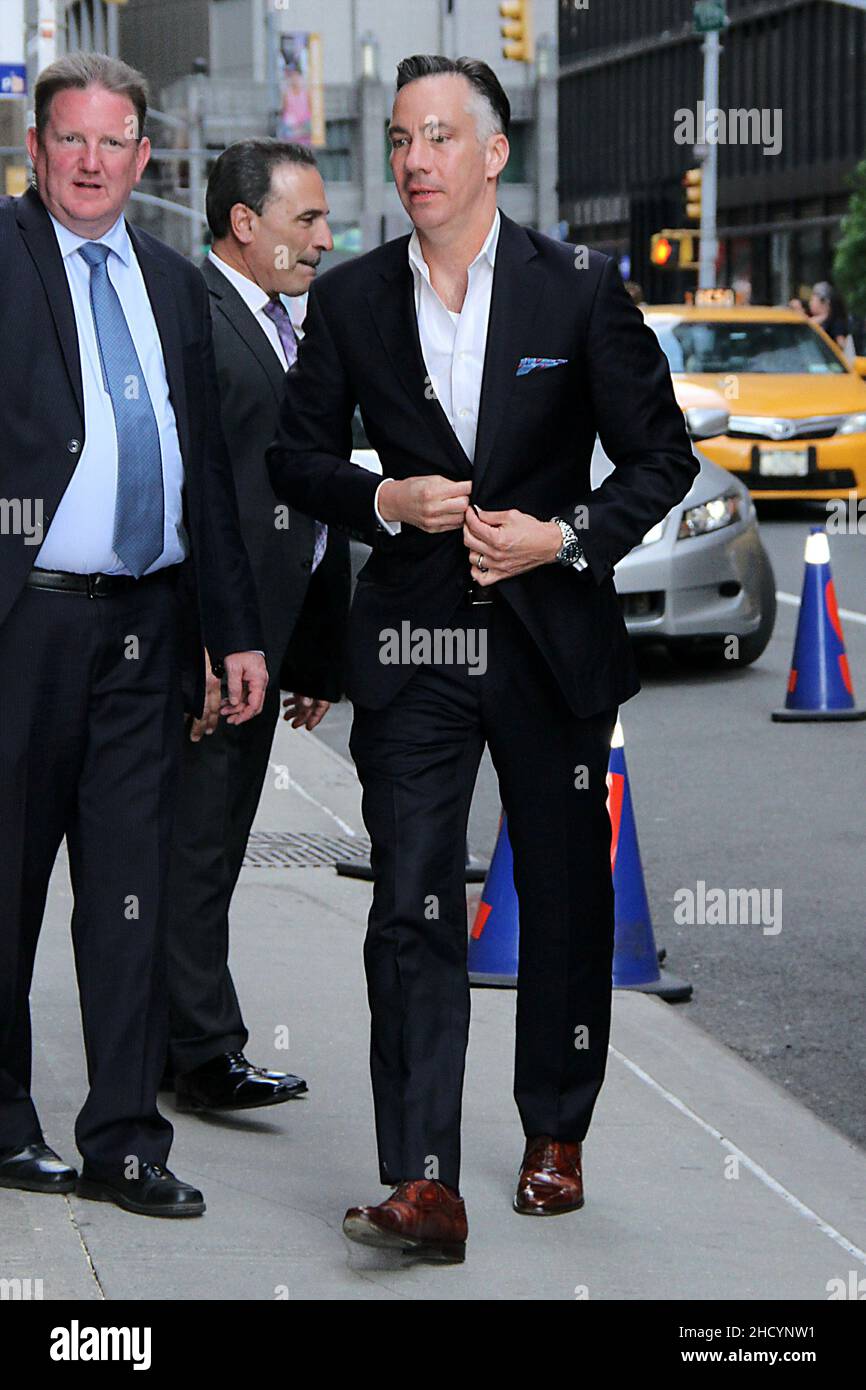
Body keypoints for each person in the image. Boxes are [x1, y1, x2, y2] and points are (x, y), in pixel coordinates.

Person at [267, 54, 698, 1262]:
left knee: (560, 900)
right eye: (400, 139)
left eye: (438, 137)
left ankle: (555, 1129)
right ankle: (423, 1178)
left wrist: (565, 536)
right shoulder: (349, 300)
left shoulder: (578, 291)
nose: (413, 160)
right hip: (413, 640)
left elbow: (660, 457)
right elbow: (292, 460)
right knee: (408, 899)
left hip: (551, 639)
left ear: (493, 153)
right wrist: (382, 497)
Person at [0, 54, 267, 1219]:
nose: (92, 162)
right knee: (6, 889)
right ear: (37, 145)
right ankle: (5, 1124)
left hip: (147, 635)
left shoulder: (171, 284)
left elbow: (205, 465)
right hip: (26, 627)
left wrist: (233, 630)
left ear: (145, 157)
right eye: (71, 140)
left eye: (115, 142)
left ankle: (122, 1141)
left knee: (129, 893)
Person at [162, 139, 349, 1113]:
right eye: (306, 220)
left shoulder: (293, 329)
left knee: (218, 843)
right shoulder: (193, 319)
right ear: (245, 223)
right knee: (195, 844)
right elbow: (189, 498)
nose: (324, 237)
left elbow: (304, 496)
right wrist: (202, 638)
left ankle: (178, 1040)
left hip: (272, 641)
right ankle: (201, 1052)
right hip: (213, 646)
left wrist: (312, 650)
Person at [810, 281, 854, 356]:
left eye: (812, 300)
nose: (810, 303)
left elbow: (842, 344)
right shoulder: (820, 319)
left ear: (824, 302)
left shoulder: (836, 322)